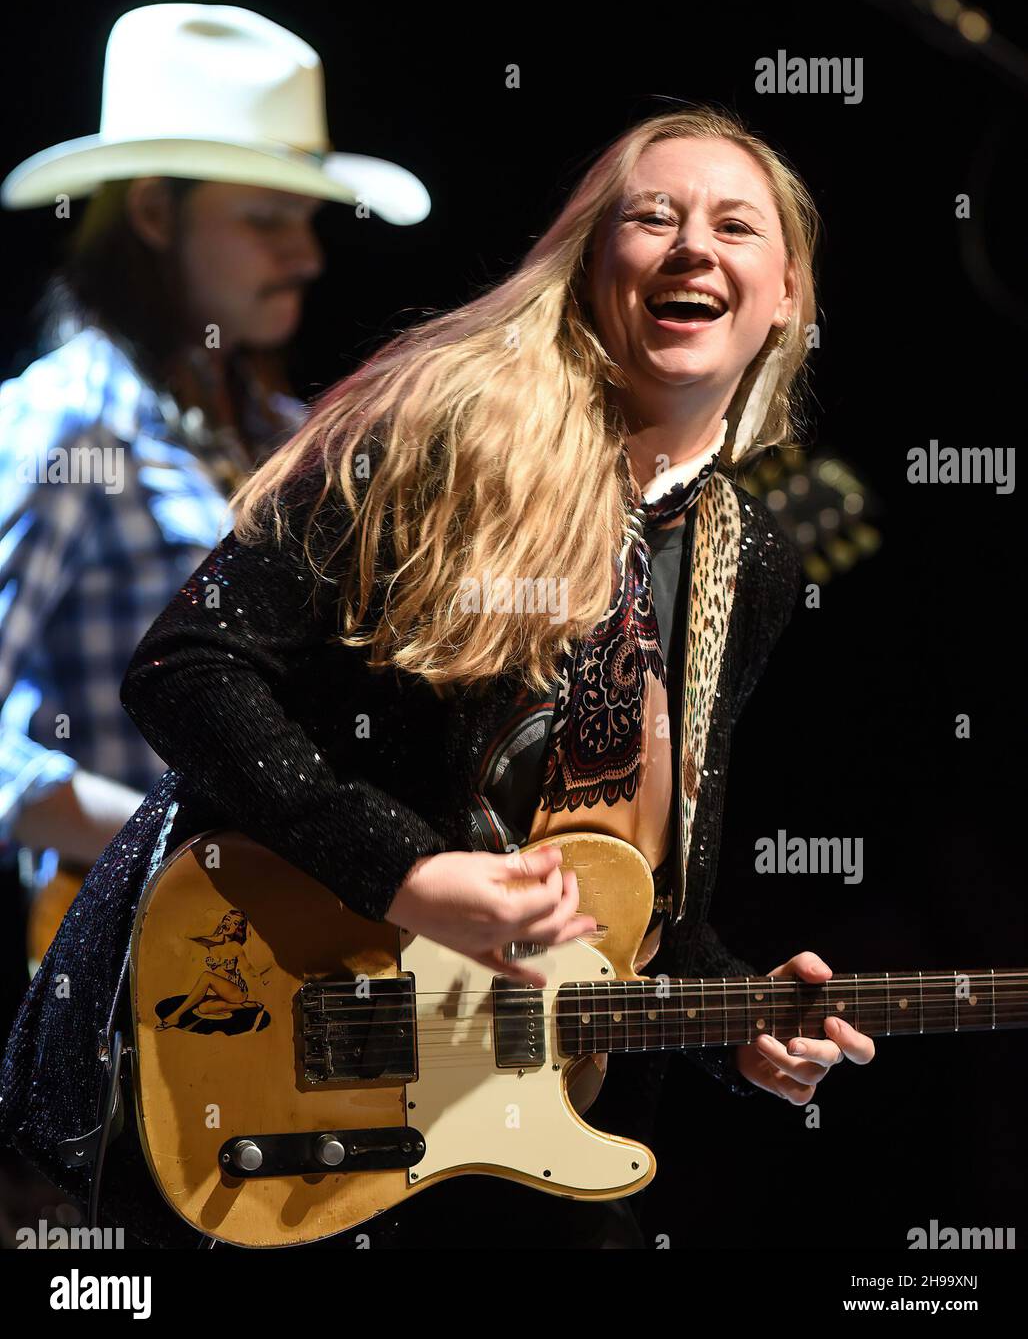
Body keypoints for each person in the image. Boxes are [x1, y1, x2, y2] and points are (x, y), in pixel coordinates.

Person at [0, 104, 873, 1250]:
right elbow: (184, 665)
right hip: (273, 1058)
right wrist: (408, 874)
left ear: (789, 295)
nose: (689, 248)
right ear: (585, 264)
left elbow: (632, 903)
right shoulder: (438, 432)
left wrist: (738, 1020)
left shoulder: (741, 555)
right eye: (650, 217)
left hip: (487, 1145)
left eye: (733, 227)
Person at [0, 3, 430, 1003]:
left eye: (309, 221)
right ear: (154, 214)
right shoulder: (66, 426)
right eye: (266, 220)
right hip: (130, 965)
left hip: (298, 960)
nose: (309, 255)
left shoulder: (292, 437)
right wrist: (187, 842)